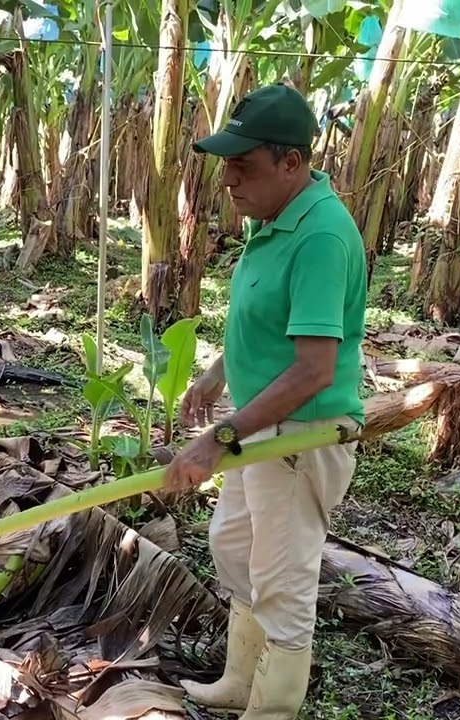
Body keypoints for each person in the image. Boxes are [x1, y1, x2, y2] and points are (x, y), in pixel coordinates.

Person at [163, 83, 367, 719]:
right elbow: (273, 324)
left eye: (242, 166)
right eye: (227, 165)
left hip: (300, 434)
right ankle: (238, 679)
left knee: (283, 575)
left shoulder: (320, 237)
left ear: (291, 162)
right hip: (261, 425)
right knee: (234, 545)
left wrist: (217, 438)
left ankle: (271, 709)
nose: (229, 180)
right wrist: (219, 372)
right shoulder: (278, 218)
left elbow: (311, 369)